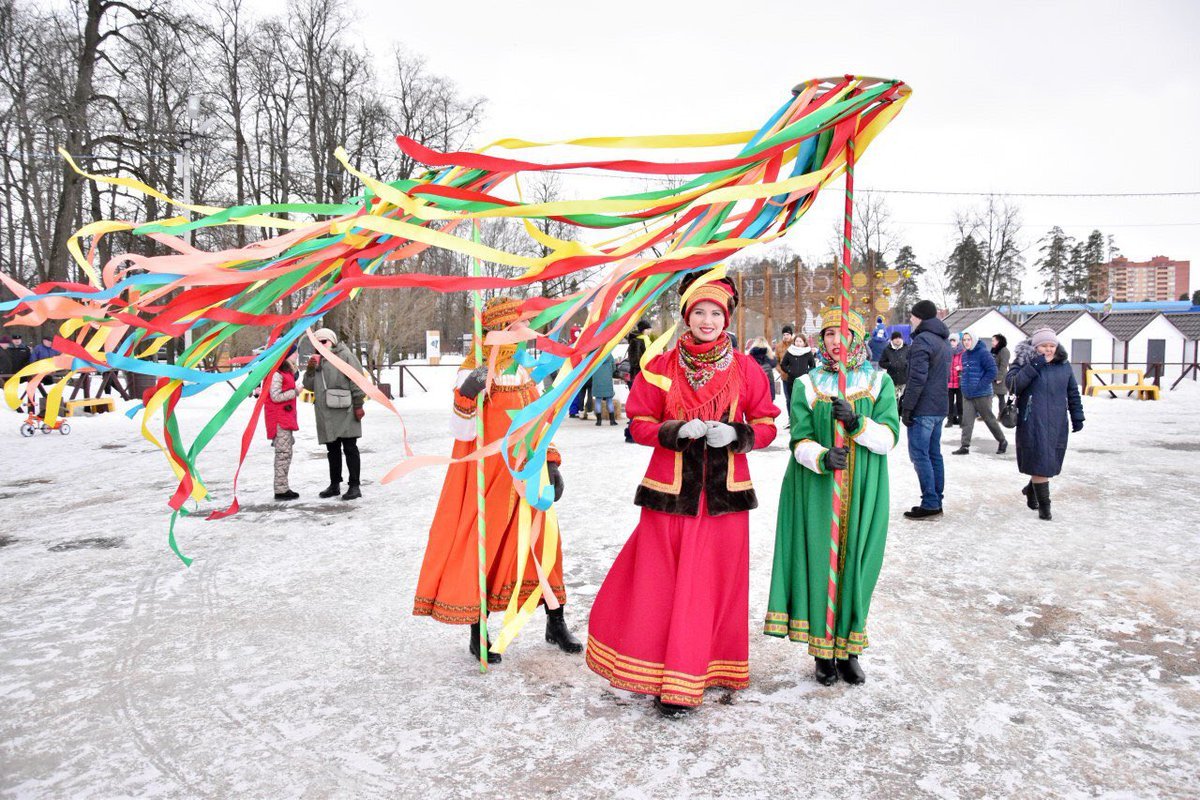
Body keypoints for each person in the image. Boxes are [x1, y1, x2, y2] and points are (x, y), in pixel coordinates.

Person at [586, 274, 780, 717]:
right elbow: (637, 424)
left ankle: (700, 669)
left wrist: (739, 433)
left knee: (712, 586)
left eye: (716, 313)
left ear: (726, 317)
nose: (708, 320)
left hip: (724, 499)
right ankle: (663, 675)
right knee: (662, 584)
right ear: (686, 316)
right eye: (699, 312)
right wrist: (674, 431)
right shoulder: (660, 366)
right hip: (670, 495)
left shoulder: (746, 368)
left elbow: (768, 423)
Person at [414, 296, 580, 662]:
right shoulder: (471, 371)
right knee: (486, 548)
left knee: (543, 547)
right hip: (489, 478)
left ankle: (556, 622)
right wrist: (467, 394)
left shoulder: (523, 373)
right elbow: (460, 429)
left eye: (518, 329)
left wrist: (551, 462)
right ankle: (480, 631)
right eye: (510, 330)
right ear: (490, 333)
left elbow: (539, 421)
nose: (518, 336)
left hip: (529, 474)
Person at [765, 307, 899, 686]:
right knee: (820, 564)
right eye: (827, 334)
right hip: (818, 487)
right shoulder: (809, 383)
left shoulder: (878, 382)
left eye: (841, 334)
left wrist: (857, 423)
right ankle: (823, 652)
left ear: (856, 338)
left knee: (857, 562)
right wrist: (822, 457)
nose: (834, 342)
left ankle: (849, 650)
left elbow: (889, 437)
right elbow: (797, 440)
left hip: (865, 486)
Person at [1005, 328, 1084, 521]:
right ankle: (1045, 508)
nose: (1048, 350)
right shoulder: (1023, 362)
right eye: (1043, 346)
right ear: (1035, 347)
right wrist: (1035, 365)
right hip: (1032, 420)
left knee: (1048, 461)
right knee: (1040, 460)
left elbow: (1072, 391)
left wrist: (1077, 416)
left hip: (1057, 421)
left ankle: (1032, 491)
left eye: (1052, 346)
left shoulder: (1063, 365)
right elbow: (1013, 384)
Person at [900, 300, 950, 519]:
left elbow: (917, 379)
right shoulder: (943, 340)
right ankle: (935, 498)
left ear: (920, 317)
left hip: (924, 407)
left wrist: (907, 407)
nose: (910, 319)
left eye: (912, 315)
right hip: (939, 406)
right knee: (933, 454)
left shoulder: (922, 341)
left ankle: (930, 502)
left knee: (920, 455)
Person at [303, 327, 366, 501]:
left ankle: (354, 485)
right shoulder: (317, 361)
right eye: (317, 343)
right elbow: (308, 386)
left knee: (350, 447)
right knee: (332, 449)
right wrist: (310, 369)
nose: (320, 346)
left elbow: (357, 380)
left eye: (323, 342)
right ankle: (334, 484)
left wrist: (358, 405)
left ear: (332, 341)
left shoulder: (345, 356)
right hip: (326, 412)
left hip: (346, 410)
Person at [953, 332, 1007, 455]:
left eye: (969, 339)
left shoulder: (983, 353)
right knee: (967, 421)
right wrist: (964, 385)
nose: (966, 342)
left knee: (989, 419)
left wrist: (980, 385)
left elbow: (992, 371)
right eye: (964, 340)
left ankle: (1002, 440)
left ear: (974, 340)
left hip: (982, 394)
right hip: (968, 394)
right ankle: (964, 446)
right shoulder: (965, 355)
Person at [264, 348, 300, 500]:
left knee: (286, 453)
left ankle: (283, 486)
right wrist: (295, 392)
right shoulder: (277, 374)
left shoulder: (287, 372)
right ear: (286, 356)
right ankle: (280, 490)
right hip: (279, 420)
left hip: (285, 418)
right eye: (294, 352)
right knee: (283, 454)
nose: (297, 355)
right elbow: (275, 396)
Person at [624, 320, 654, 443]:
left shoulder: (647, 340)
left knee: (643, 406)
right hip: (638, 377)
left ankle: (637, 432)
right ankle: (630, 434)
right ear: (643, 329)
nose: (650, 331)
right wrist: (646, 361)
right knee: (637, 406)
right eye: (648, 328)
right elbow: (635, 361)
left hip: (646, 376)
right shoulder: (636, 342)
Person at [779, 332, 816, 415]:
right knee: (792, 400)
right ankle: (792, 418)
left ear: (804, 343)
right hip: (792, 381)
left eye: (800, 341)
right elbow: (783, 364)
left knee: (803, 401)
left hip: (804, 382)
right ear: (794, 342)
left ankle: (803, 418)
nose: (798, 343)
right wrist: (789, 371)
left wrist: (807, 372)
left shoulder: (808, 352)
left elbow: (813, 365)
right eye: (797, 341)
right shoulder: (790, 351)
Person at [877, 331, 909, 400]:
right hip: (892, 380)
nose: (898, 340)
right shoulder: (887, 350)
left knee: (904, 400)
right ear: (892, 340)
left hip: (904, 380)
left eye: (899, 338)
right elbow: (881, 362)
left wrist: (906, 363)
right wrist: (890, 364)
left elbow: (911, 360)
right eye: (895, 338)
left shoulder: (907, 348)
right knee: (893, 399)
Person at [591, 351, 618, 426]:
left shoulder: (594, 355)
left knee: (598, 400)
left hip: (597, 380)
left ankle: (598, 421)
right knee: (609, 400)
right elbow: (614, 367)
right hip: (607, 380)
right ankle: (612, 421)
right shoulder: (608, 354)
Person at [946, 333, 964, 426]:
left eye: (954, 341)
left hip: (959, 381)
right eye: (951, 341)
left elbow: (965, 364)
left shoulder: (962, 352)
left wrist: (960, 367)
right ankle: (950, 420)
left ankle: (961, 420)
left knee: (960, 402)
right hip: (949, 382)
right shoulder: (946, 352)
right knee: (949, 402)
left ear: (957, 342)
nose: (952, 343)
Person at [991, 334, 1010, 416]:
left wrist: (999, 377)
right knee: (988, 397)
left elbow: (1003, 365)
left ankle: (1002, 415)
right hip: (992, 376)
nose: (992, 342)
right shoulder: (994, 350)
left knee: (1001, 397)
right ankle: (987, 415)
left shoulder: (1004, 351)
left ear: (998, 341)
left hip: (1000, 377)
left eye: (993, 340)